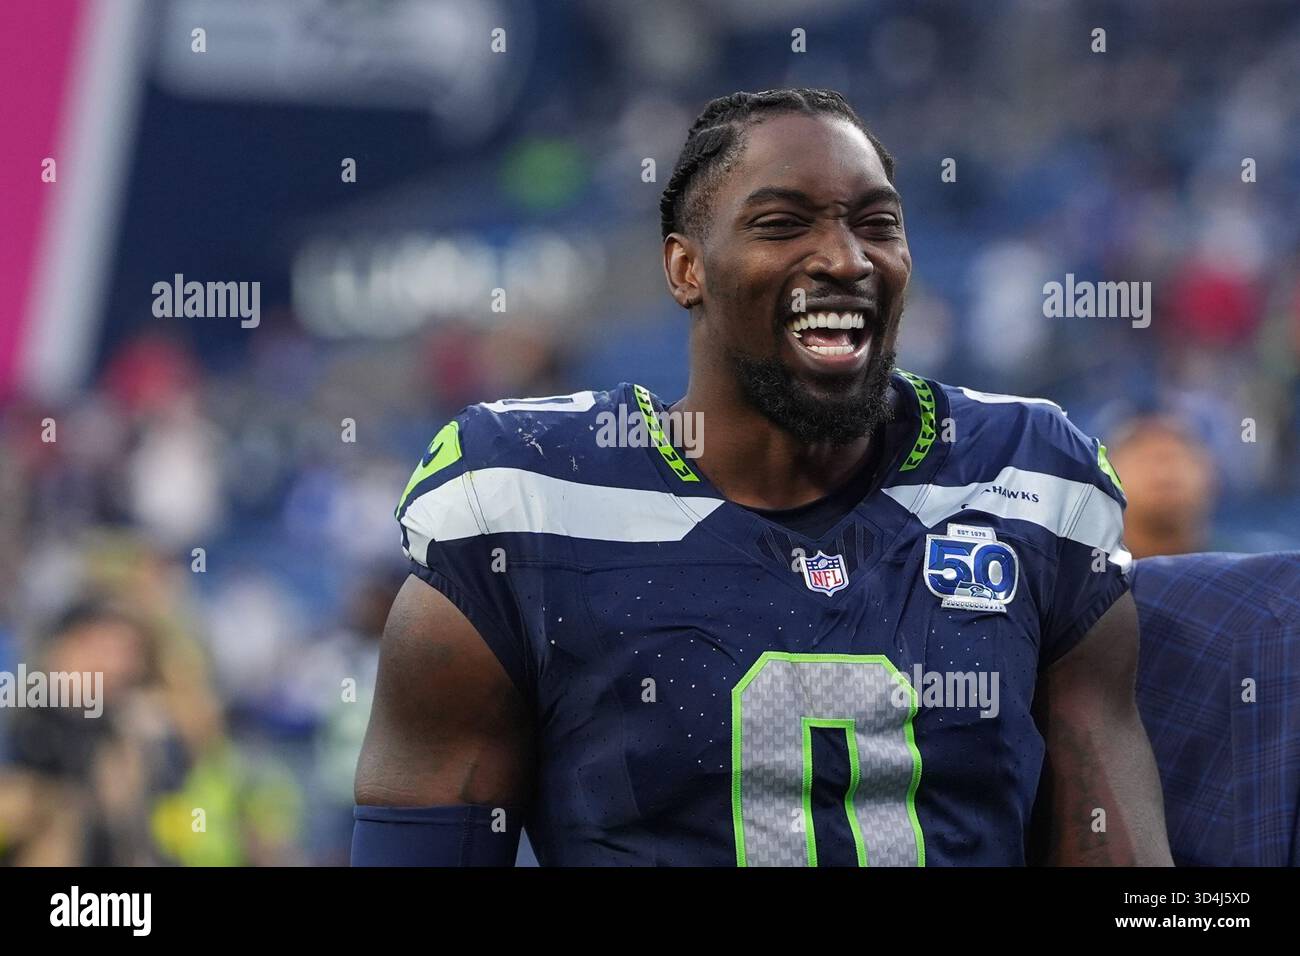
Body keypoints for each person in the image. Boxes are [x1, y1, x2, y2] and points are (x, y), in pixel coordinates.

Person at [353, 88, 1172, 866]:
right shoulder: (528, 502)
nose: (846, 259)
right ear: (686, 270)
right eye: (783, 224)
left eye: (877, 224)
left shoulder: (1026, 477)